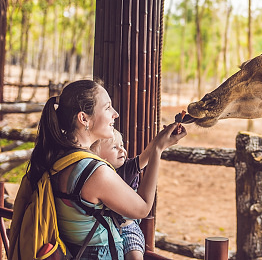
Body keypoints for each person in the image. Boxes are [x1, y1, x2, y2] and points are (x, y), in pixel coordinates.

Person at [26, 79, 186, 259]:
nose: (115, 114)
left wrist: (158, 143)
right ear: (83, 118)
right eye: (108, 107)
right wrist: (157, 151)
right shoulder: (94, 172)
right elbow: (142, 209)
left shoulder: (57, 156)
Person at [90, 129, 146, 260]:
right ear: (98, 155)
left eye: (122, 145)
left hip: (127, 226)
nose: (122, 150)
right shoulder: (96, 173)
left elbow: (146, 157)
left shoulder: (128, 168)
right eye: (114, 147)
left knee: (135, 255)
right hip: (105, 229)